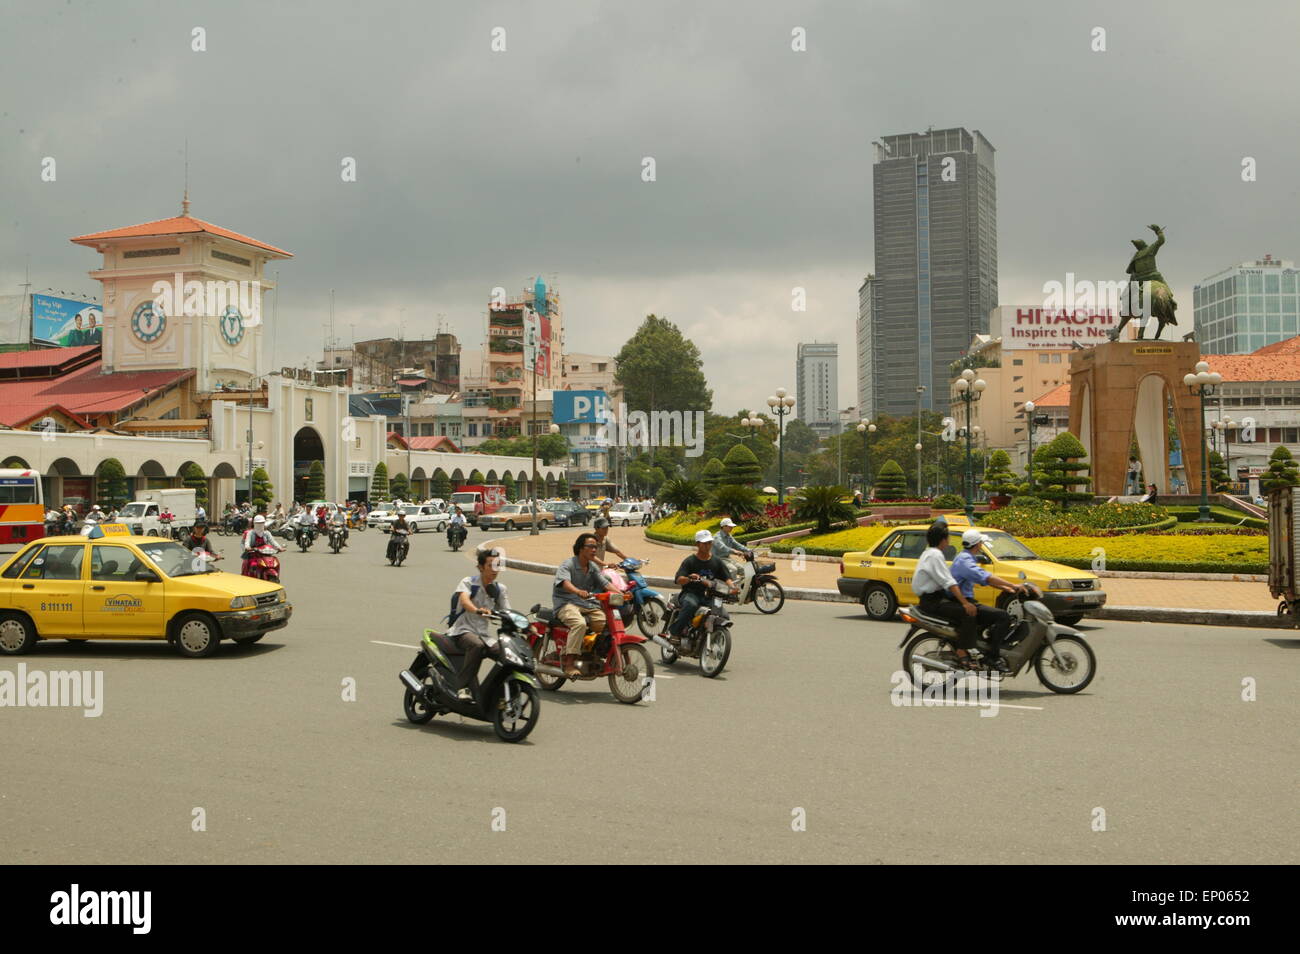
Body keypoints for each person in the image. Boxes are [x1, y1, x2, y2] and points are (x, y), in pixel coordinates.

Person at [950, 529, 1027, 672]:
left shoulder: (965, 557)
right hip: (963, 603)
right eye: (980, 542)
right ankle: (993, 656)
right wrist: (1013, 585)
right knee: (1003, 617)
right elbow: (986, 576)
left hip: (964, 600)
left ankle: (981, 648)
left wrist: (1006, 588)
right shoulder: (965, 561)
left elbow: (983, 579)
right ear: (977, 545)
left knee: (992, 618)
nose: (981, 544)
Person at [911, 521, 982, 670]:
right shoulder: (935, 555)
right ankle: (962, 651)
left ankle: (967, 647)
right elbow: (949, 582)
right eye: (948, 538)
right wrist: (965, 603)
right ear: (943, 540)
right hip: (933, 601)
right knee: (969, 613)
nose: (949, 541)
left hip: (933, 598)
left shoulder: (928, 553)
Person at [446, 548, 511, 702]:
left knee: (506, 654)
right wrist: (477, 610)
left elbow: (508, 611)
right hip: (462, 630)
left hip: (484, 635)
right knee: (477, 646)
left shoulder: (500, 589)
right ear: (481, 567)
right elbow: (464, 600)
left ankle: (498, 691)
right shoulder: (469, 582)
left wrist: (526, 626)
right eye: (490, 565)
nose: (495, 569)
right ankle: (463, 687)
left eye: (497, 565)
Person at [553, 532, 613, 678]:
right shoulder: (568, 564)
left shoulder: (592, 567)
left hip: (585, 604)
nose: (594, 550)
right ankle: (569, 663)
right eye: (591, 547)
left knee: (604, 622)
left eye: (596, 547)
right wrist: (577, 591)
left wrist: (622, 594)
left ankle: (588, 652)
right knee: (579, 624)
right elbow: (564, 582)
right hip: (566, 603)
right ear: (581, 548)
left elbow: (605, 584)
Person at [667, 530, 738, 642]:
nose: (707, 545)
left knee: (723, 615)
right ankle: (675, 633)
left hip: (709, 596)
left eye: (709, 543)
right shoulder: (690, 561)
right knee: (690, 605)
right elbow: (679, 579)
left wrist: (733, 588)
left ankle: (713, 638)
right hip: (690, 594)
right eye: (704, 543)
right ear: (697, 544)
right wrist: (689, 578)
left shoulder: (716, 561)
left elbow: (727, 578)